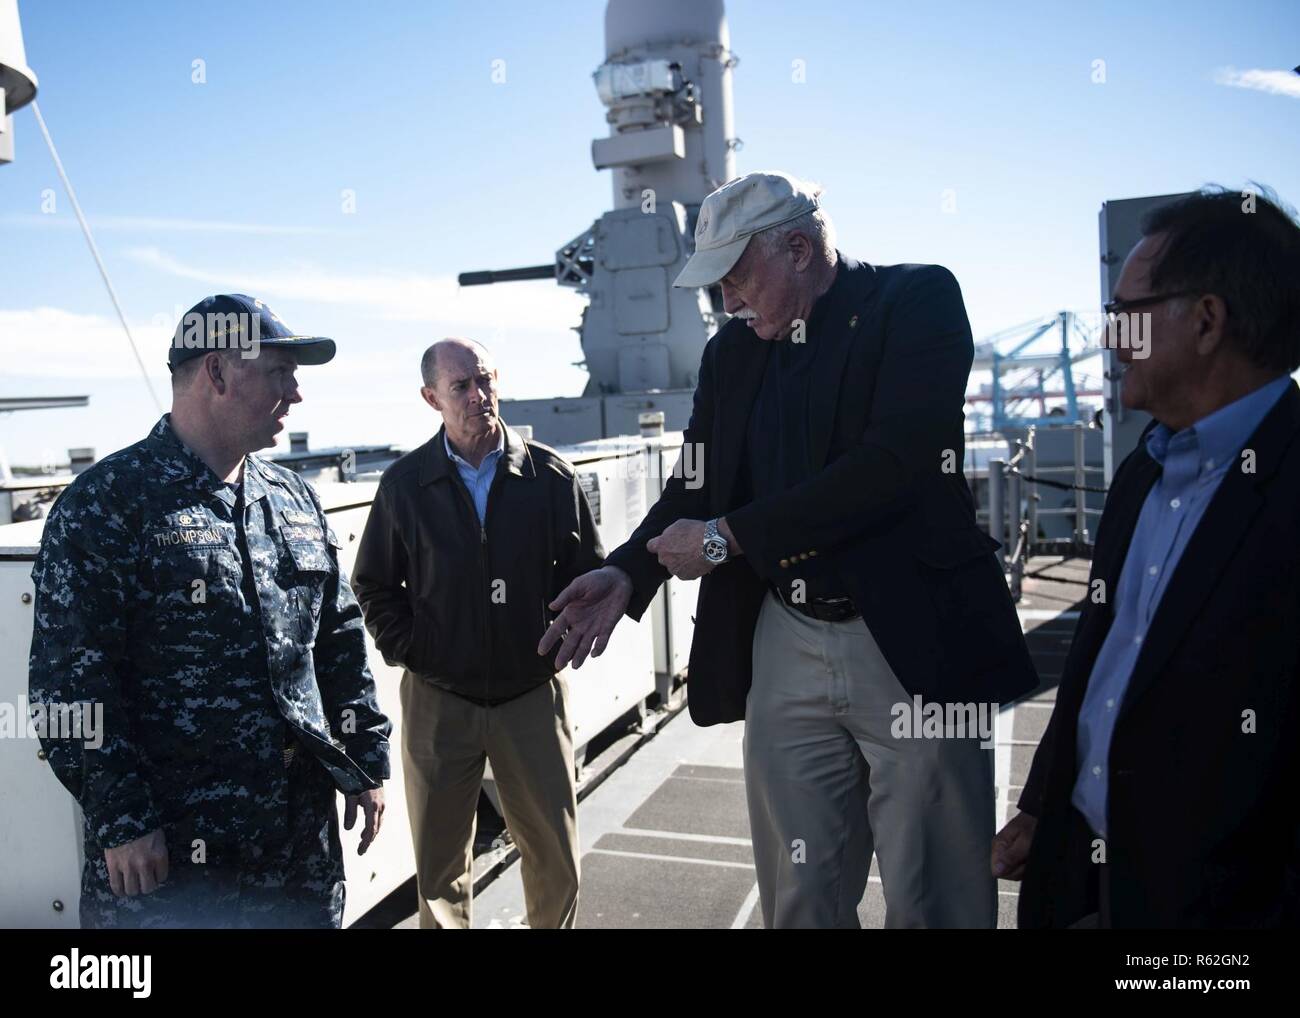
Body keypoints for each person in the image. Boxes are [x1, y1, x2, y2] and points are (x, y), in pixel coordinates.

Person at [540, 171, 1037, 928]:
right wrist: (626, 569)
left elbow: (892, 467)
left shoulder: (917, 301)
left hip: (913, 642)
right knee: (799, 894)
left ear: (799, 248)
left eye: (735, 281)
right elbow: (697, 483)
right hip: (787, 638)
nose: (726, 304)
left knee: (936, 895)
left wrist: (727, 537)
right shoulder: (732, 354)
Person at [27, 294, 390, 928]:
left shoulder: (294, 499)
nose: (296, 393)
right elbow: (69, 685)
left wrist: (363, 753)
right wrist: (123, 819)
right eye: (279, 372)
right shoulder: (108, 505)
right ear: (218, 372)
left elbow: (337, 636)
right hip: (170, 865)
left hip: (297, 852)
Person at [994, 186, 1300, 928]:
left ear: (1205, 321)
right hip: (1077, 870)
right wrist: (1043, 806)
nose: (1107, 337)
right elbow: (1099, 664)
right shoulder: (1143, 470)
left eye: (1122, 314)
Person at [352, 338, 602, 929]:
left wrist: (555, 644)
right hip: (439, 698)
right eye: (460, 386)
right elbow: (374, 584)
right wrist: (416, 651)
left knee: (556, 859)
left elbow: (587, 575)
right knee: (440, 872)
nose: (477, 396)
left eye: (485, 380)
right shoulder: (405, 485)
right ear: (431, 397)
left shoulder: (549, 476)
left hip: (530, 696)